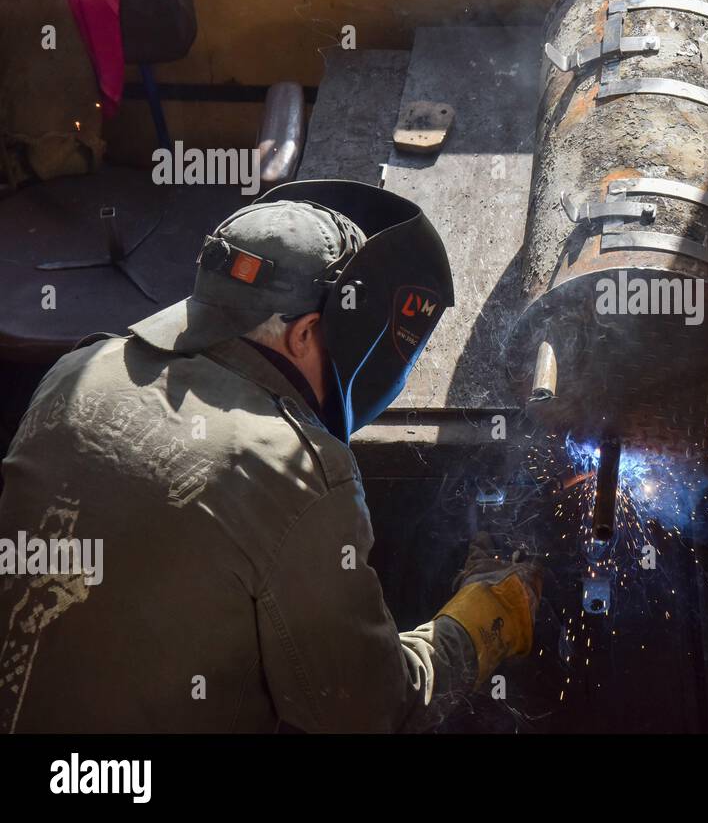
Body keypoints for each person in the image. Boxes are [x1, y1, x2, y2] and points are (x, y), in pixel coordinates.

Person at [0, 180, 541, 732]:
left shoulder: (77, 370)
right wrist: (483, 621)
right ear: (306, 333)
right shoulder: (294, 467)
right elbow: (369, 711)